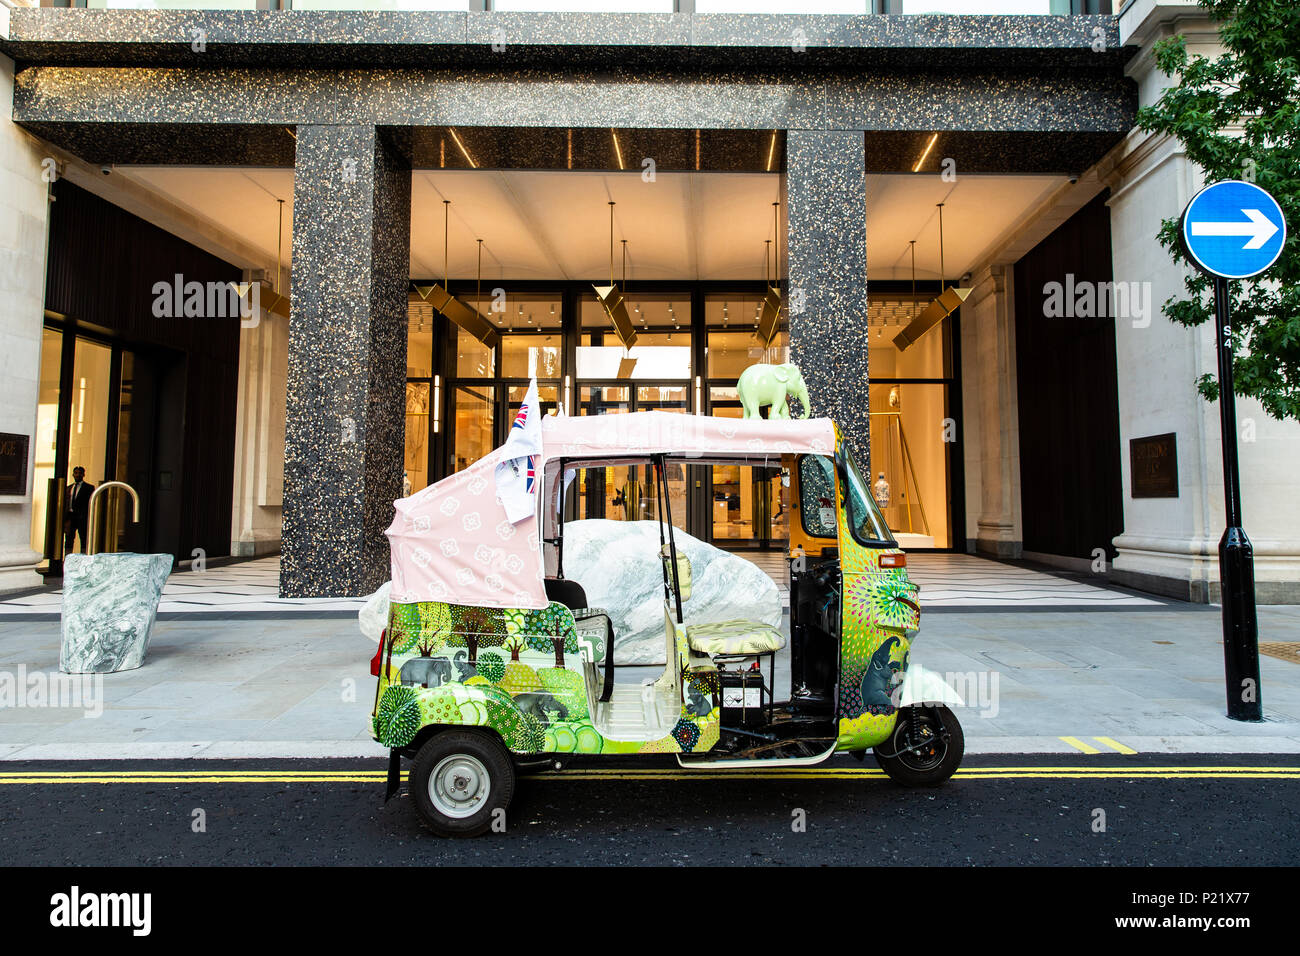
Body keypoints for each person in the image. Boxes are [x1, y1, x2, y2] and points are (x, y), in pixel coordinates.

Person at [64, 466, 94, 555]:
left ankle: (83, 557)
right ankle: (67, 558)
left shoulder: (89, 488)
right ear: (73, 474)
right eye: (76, 473)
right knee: (69, 539)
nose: (77, 475)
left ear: (83, 474)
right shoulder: (69, 488)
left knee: (84, 539)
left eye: (80, 473)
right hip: (70, 517)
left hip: (82, 518)